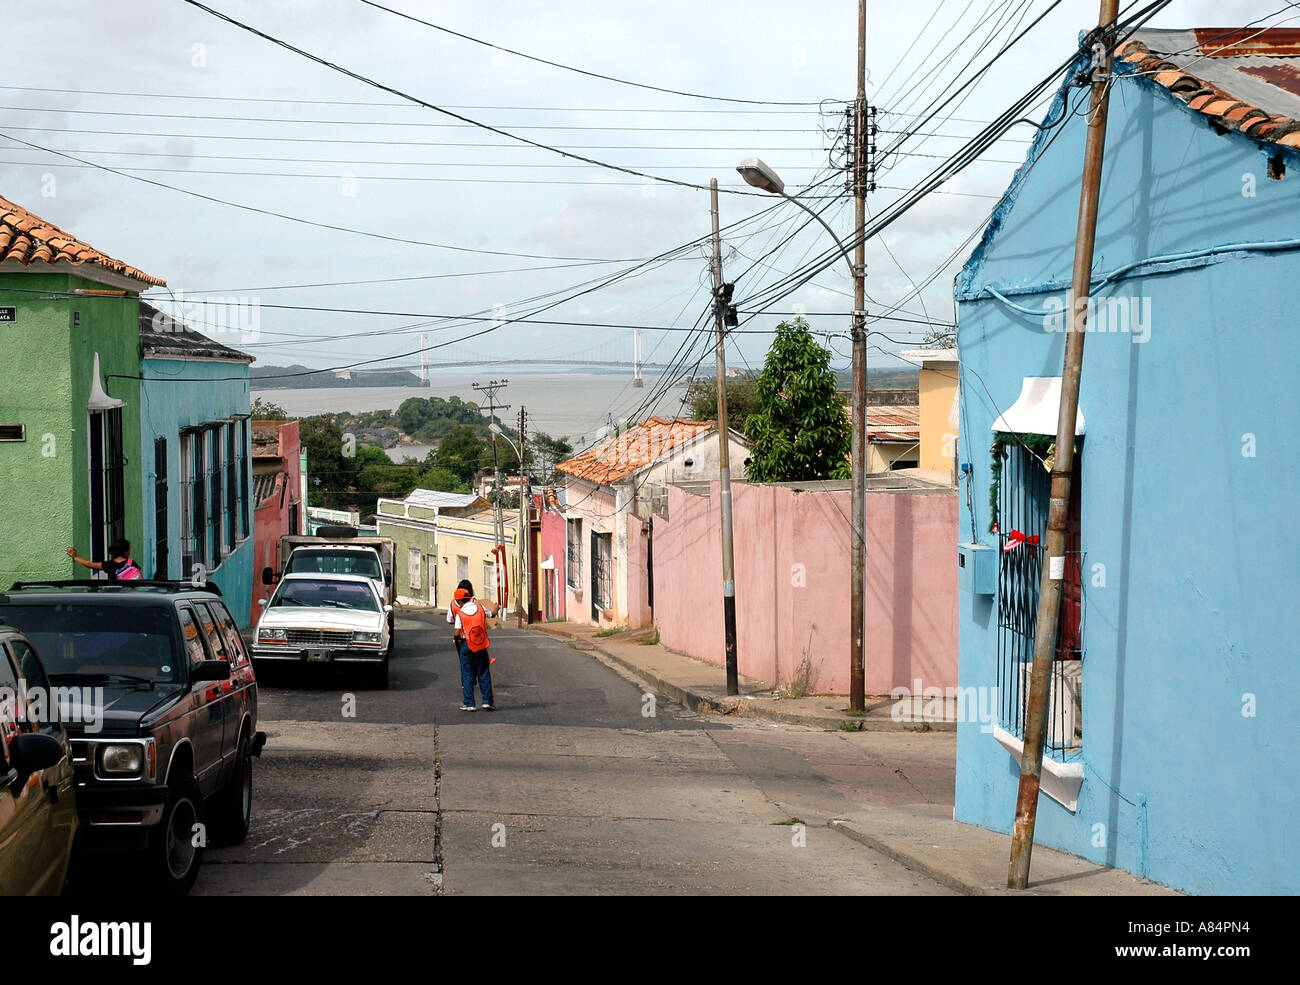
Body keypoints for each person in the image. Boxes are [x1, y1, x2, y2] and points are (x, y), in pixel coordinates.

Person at [447, 581, 495, 711]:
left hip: (466, 644)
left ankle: (469, 703)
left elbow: (457, 632)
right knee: (484, 672)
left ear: (459, 600)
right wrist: (496, 608)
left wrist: (457, 640)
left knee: (467, 673)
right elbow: (492, 614)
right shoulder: (479, 607)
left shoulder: (461, 613)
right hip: (481, 644)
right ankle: (487, 701)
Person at [66, 539, 142, 580]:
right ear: (125, 551)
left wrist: (75, 557)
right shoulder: (131, 563)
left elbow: (90, 564)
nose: (130, 551)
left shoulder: (108, 565)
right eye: (129, 549)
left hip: (116, 595)